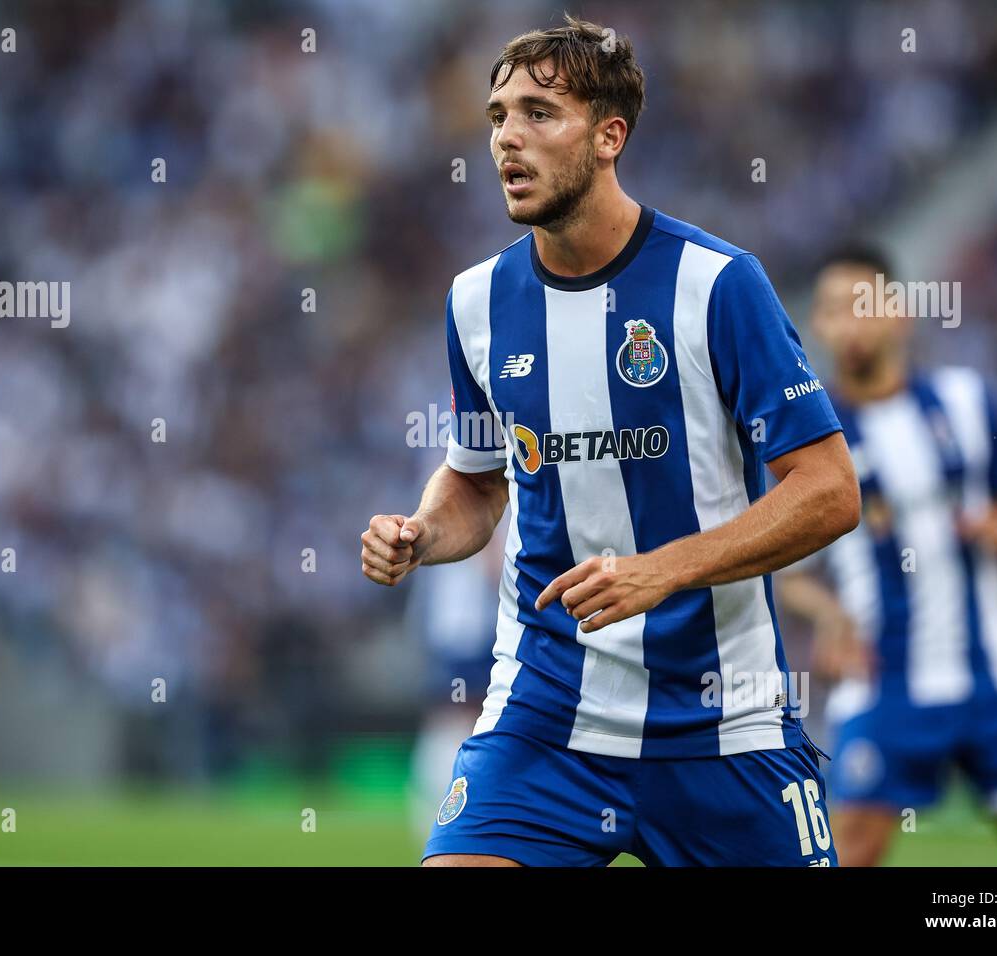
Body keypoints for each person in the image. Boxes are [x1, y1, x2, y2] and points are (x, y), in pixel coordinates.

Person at [360, 15, 859, 866]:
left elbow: (828, 491)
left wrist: (660, 570)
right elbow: (477, 482)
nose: (508, 139)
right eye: (496, 117)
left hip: (721, 719)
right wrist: (419, 533)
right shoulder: (475, 302)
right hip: (546, 714)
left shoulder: (716, 285)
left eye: (539, 113)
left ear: (608, 136)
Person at [775, 244, 997, 866]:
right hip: (886, 675)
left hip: (993, 669)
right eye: (833, 310)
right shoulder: (811, 430)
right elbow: (781, 566)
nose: (847, 322)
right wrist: (830, 614)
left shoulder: (967, 400)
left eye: (861, 305)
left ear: (898, 311)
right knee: (849, 850)